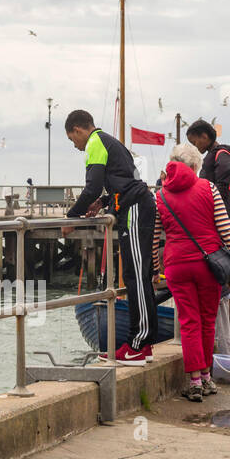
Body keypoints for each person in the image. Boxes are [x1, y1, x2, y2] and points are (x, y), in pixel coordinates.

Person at [62, 109, 157, 365]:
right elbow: (121, 181)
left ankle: (140, 344)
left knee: (137, 276)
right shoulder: (110, 142)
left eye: (73, 140)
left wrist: (71, 218)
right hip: (133, 205)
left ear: (79, 130)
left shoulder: (95, 143)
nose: (75, 146)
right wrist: (103, 201)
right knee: (135, 275)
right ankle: (139, 343)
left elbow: (92, 185)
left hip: (136, 208)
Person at [157, 143, 230, 401]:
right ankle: (206, 378)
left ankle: (194, 381)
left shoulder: (160, 195)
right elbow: (225, 227)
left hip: (176, 264)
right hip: (208, 264)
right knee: (207, 320)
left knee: (189, 322)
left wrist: (154, 267)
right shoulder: (208, 188)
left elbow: (155, 236)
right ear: (196, 166)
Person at [184, 120, 230, 278]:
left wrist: (212, 212)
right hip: (225, 216)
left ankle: (228, 298)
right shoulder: (215, 155)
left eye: (194, 141)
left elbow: (221, 187)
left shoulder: (220, 155)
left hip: (227, 217)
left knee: (229, 272)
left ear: (204, 136)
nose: (194, 146)